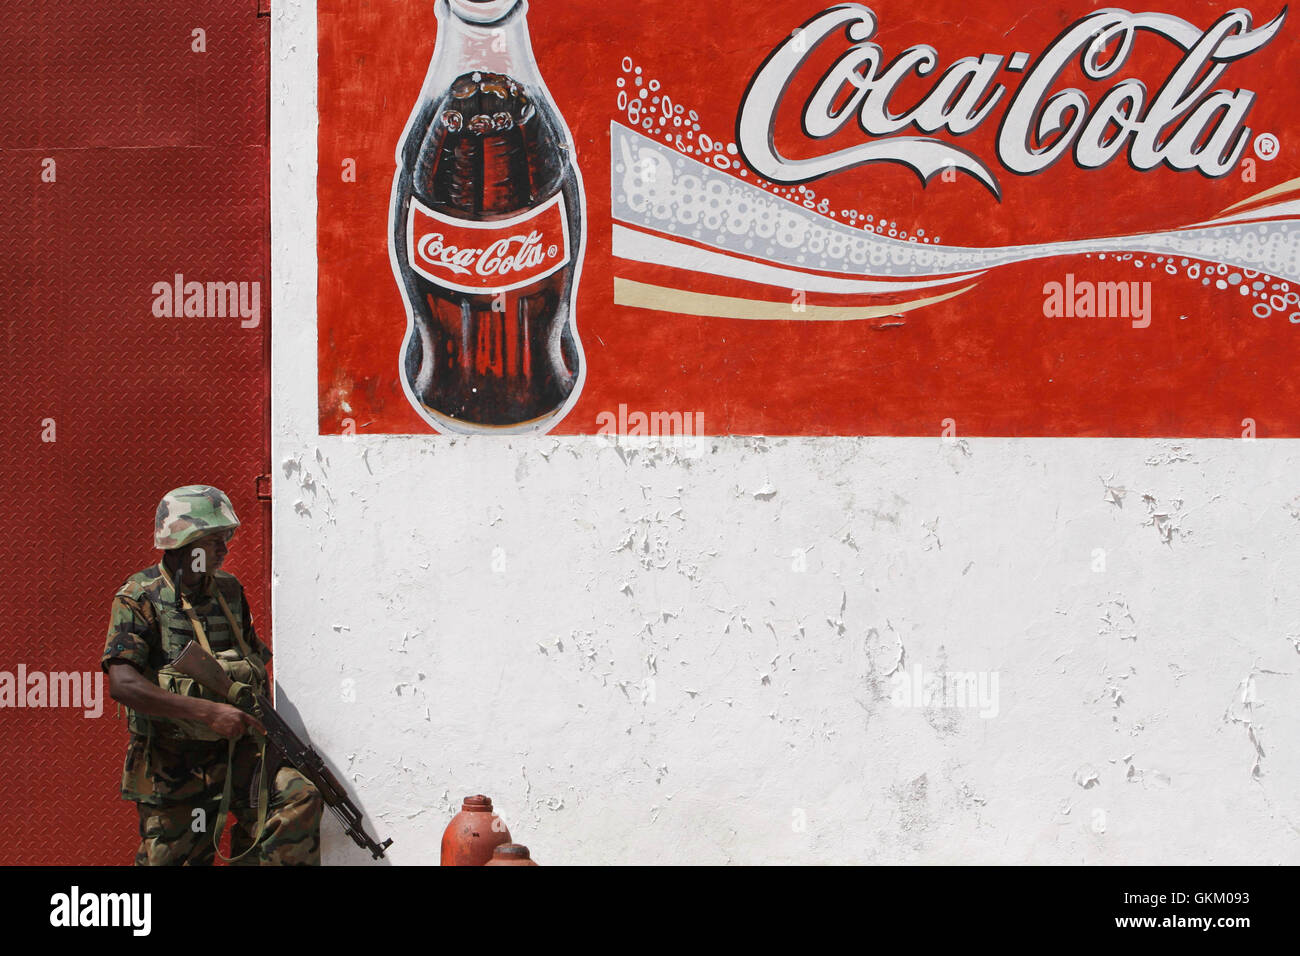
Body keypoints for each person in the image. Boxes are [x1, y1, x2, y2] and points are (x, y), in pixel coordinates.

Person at [101, 484, 322, 865]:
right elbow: (123, 684)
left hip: (238, 754)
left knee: (298, 795)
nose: (225, 548)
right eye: (215, 539)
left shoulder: (228, 591)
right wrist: (208, 713)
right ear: (185, 542)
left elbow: (253, 664)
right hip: (174, 766)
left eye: (226, 538)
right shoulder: (140, 596)